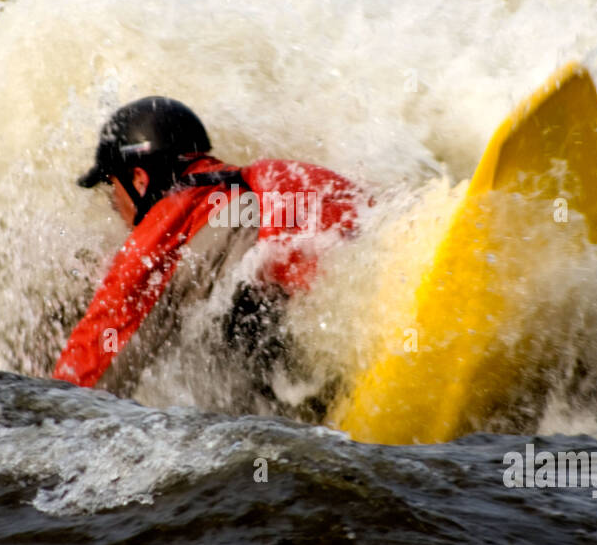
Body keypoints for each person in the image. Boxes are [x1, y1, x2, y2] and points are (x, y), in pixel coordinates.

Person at [52, 96, 365, 409]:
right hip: (341, 281)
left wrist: (45, 412)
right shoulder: (271, 178)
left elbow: (89, 371)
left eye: (112, 187)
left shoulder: (157, 237)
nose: (114, 204)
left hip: (276, 310)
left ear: (139, 179)